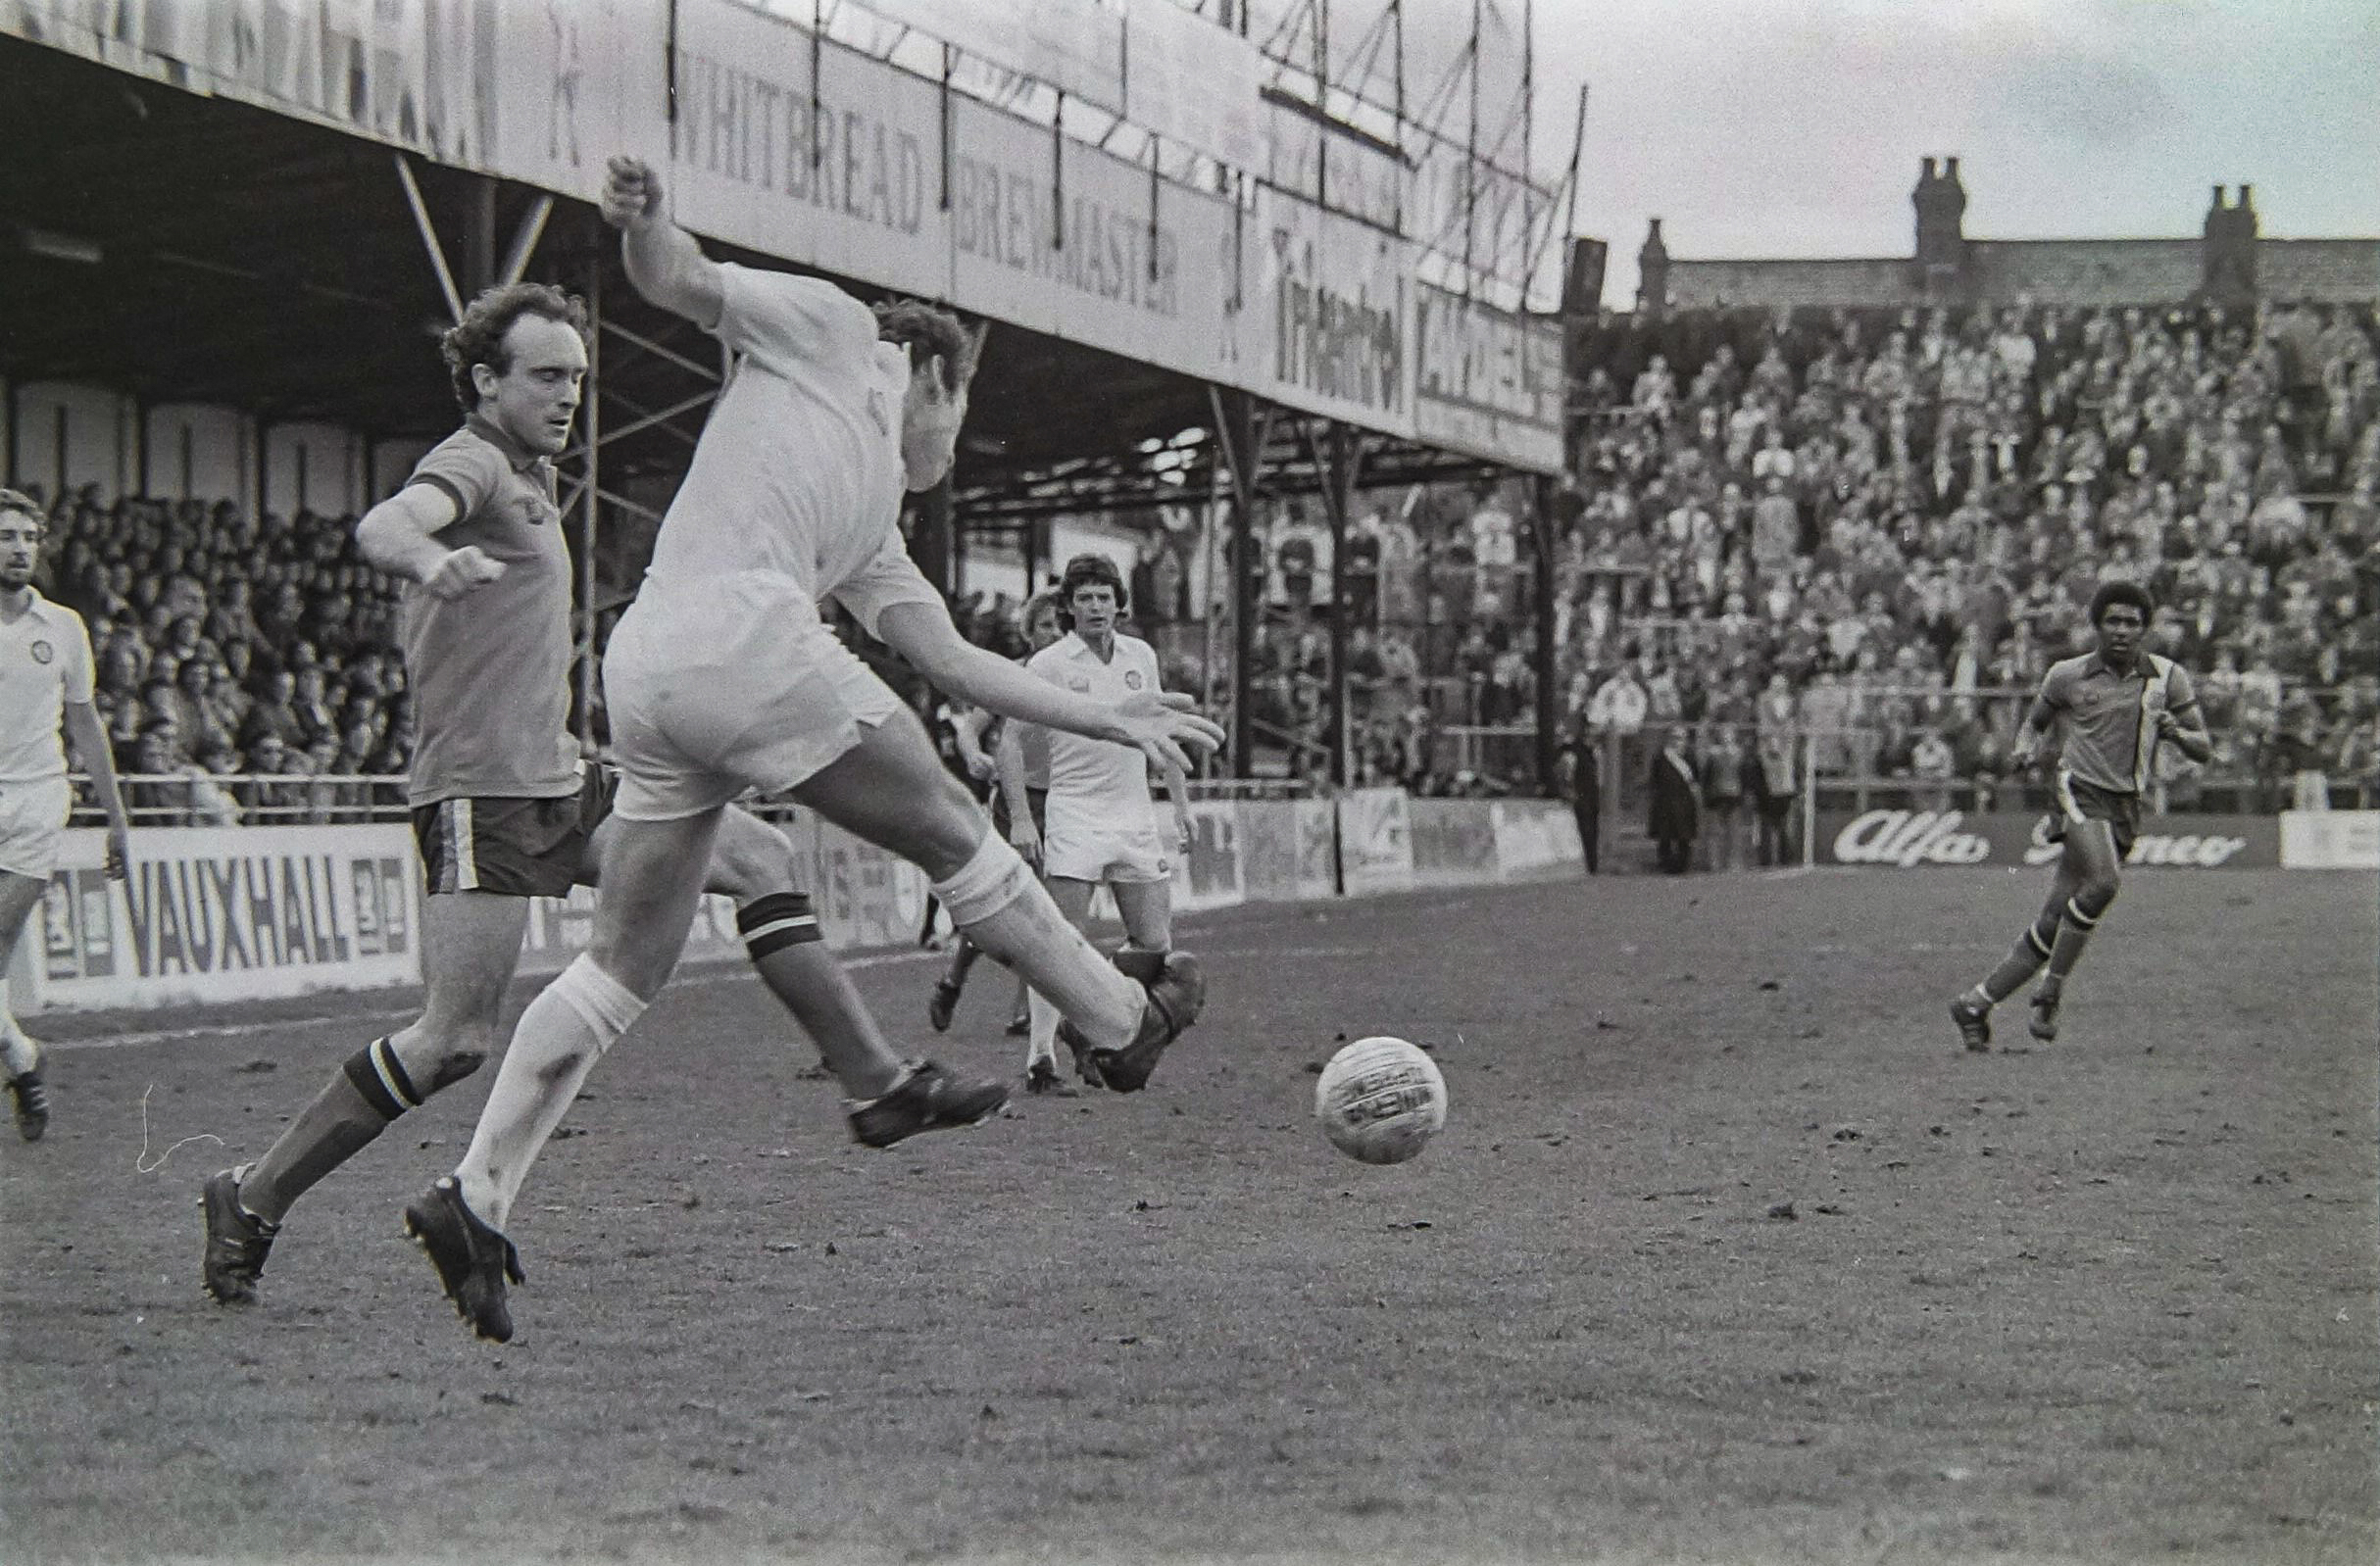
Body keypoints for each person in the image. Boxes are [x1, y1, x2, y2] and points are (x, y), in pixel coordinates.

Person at [400, 157, 1219, 1343]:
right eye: (963, 410)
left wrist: (1107, 716)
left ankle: (473, 1193)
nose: (957, 440)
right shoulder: (840, 332)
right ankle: (1115, 1021)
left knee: (622, 965)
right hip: (740, 633)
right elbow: (679, 282)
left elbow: (947, 659)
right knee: (950, 824)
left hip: (651, 665)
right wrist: (648, 223)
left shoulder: (871, 521)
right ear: (931, 370)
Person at [198, 281, 998, 1308]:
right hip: (479, 794)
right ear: (486, 381)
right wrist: (426, 558)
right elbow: (387, 524)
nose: (570, 393)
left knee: (759, 857)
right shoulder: (476, 460)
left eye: (577, 376)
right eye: (545, 374)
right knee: (454, 1038)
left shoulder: (530, 479)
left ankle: (877, 1079)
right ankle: (252, 1193)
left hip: (561, 777)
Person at [1950, 581, 2211, 1052]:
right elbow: (2034, 724)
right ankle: (2051, 988)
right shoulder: (2066, 675)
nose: (2122, 630)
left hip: (2127, 805)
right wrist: (2025, 751)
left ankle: (1975, 1003)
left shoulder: (2168, 678)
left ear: (2144, 629)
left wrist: (2175, 732)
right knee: (2105, 885)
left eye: (2132, 623)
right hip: (2077, 789)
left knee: (2055, 920)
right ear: (2097, 625)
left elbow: (2204, 747)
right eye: (2113, 620)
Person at [1003, 555, 1195, 1095]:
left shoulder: (1141, 656)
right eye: (1084, 598)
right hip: (1075, 813)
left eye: (1104, 597)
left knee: (1155, 944)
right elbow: (1010, 740)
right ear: (1068, 606)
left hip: (1133, 813)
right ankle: (1041, 1059)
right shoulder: (1050, 664)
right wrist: (1021, 816)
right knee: (1061, 939)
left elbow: (1163, 730)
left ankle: (1087, 1018)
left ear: (1118, 603)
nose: (1095, 607)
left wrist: (1179, 803)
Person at [0, 490, 132, 1142]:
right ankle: (21, 1057)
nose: (18, 548)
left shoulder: (64, 626)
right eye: (5, 537)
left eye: (27, 537)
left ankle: (20, 1060)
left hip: (37, 797)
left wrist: (115, 817)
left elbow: (85, 721)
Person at [927, 590, 1064, 1038]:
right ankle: (954, 978)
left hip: (1067, 800)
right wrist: (971, 755)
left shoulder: (1079, 674)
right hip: (1016, 802)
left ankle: (1024, 1009)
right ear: (1028, 631)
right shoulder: (1016, 674)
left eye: (1060, 623)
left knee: (1047, 908)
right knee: (1000, 903)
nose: (1056, 632)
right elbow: (973, 727)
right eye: (1045, 625)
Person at [1648, 725, 1700, 874]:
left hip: (1684, 801)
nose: (1678, 741)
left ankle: (1683, 865)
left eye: (1681, 738)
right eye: (1675, 737)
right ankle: (1666, 865)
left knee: (1684, 835)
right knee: (1665, 835)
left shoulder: (1689, 757)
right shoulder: (1661, 757)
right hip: (1665, 801)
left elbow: (1695, 779)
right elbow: (1655, 779)